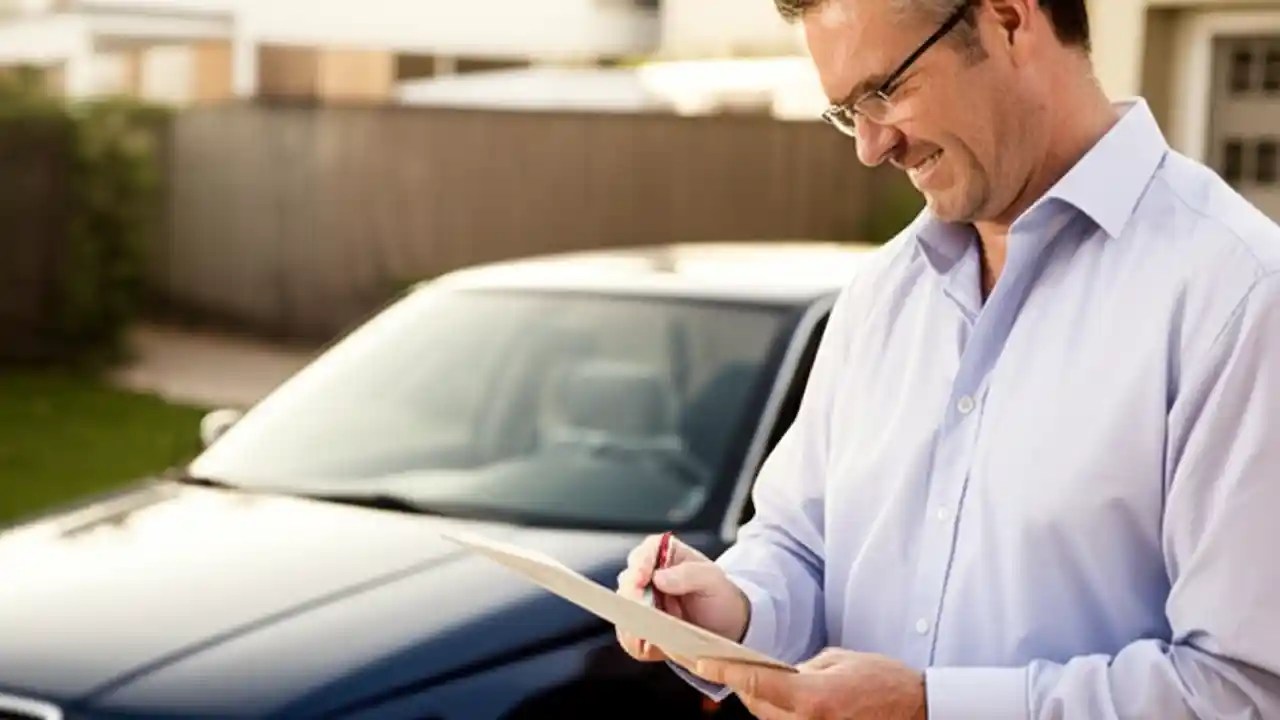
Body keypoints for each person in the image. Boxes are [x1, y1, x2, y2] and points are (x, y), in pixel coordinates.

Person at [614, 0, 1280, 718]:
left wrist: (930, 707)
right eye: (847, 112)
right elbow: (802, 543)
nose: (870, 147)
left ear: (1010, 20)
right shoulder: (880, 292)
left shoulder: (1240, 296)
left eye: (884, 91)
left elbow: (1242, 689)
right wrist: (734, 607)